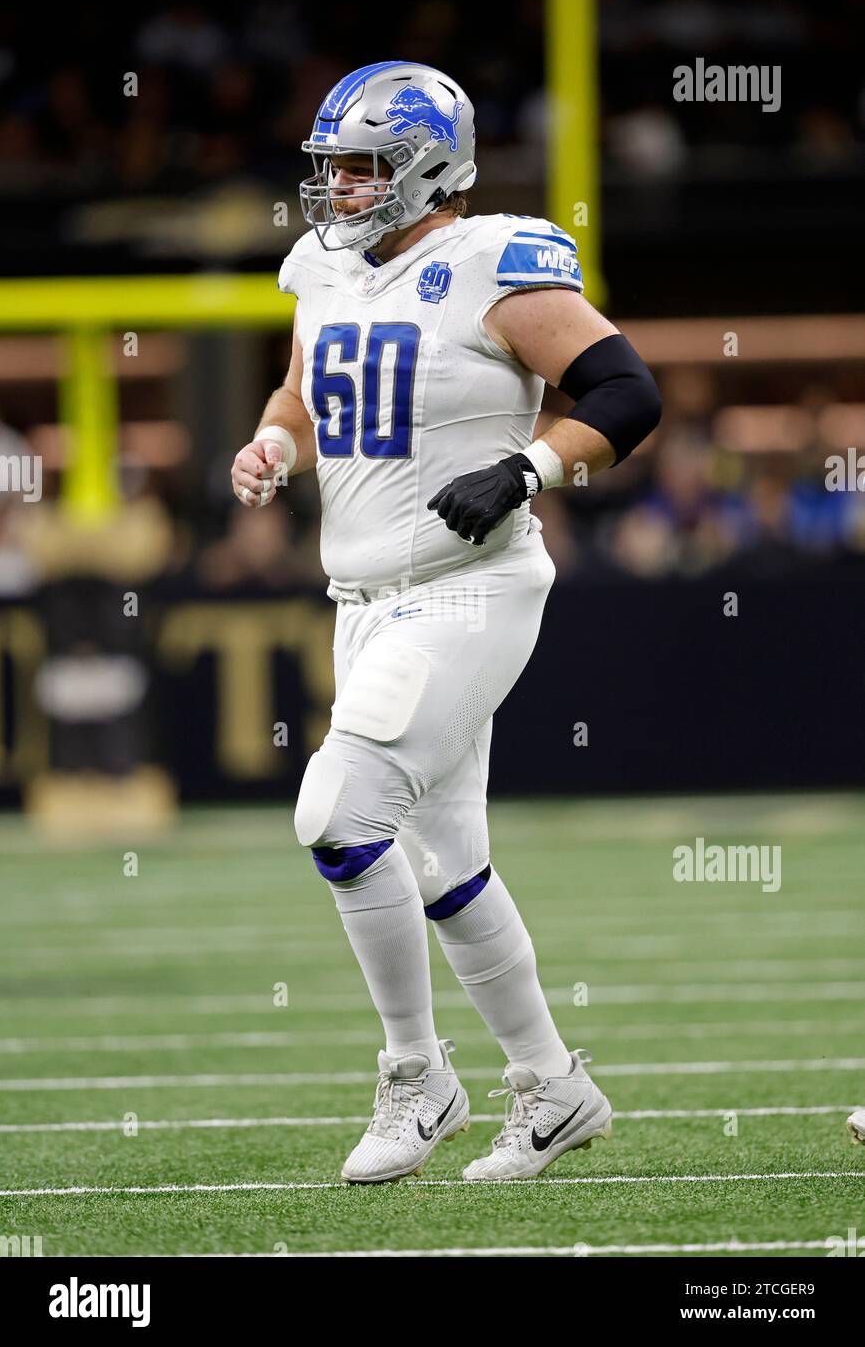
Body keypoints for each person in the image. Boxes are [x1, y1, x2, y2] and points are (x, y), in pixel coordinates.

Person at [231, 61, 661, 1182]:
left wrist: (525, 469)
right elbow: (301, 392)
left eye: (367, 166)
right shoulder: (323, 270)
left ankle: (418, 1076)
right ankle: (553, 1087)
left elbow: (625, 393)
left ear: (431, 163)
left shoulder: (491, 261)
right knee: (443, 863)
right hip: (360, 600)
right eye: (332, 168)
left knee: (337, 816)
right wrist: (276, 443)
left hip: (465, 587)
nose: (343, 189)